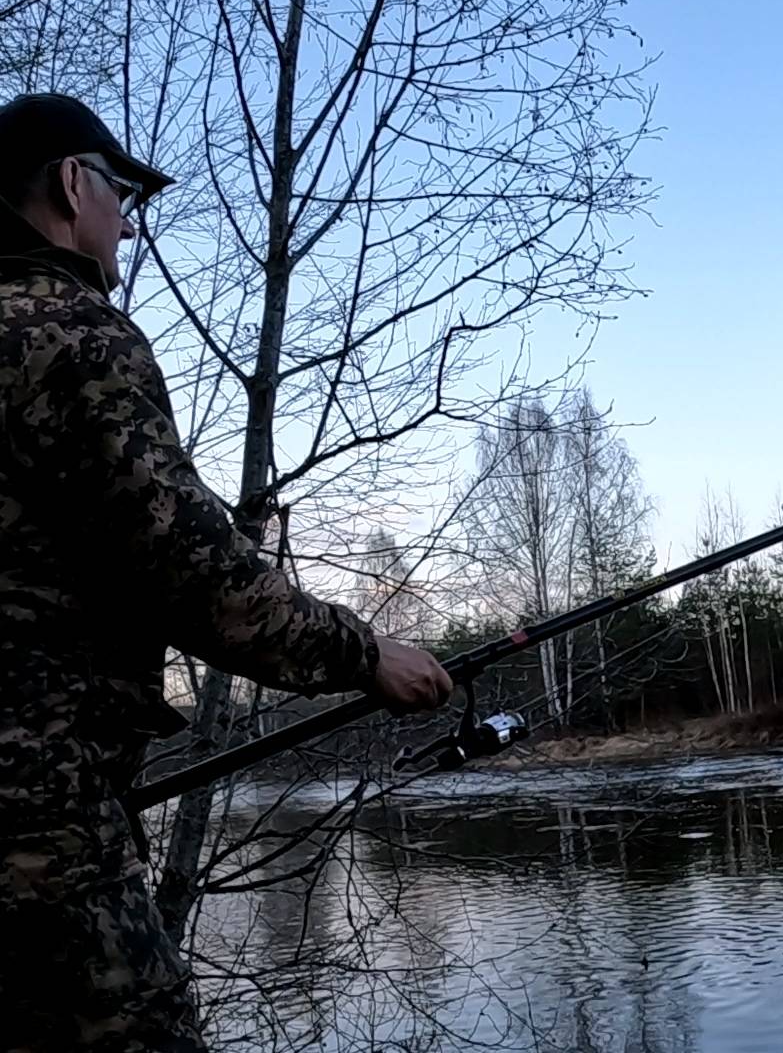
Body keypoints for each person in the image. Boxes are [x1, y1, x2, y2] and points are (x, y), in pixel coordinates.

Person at [0, 93, 454, 1050]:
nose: (127, 219)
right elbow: (198, 580)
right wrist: (368, 653)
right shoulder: (72, 335)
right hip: (37, 830)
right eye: (121, 193)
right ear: (74, 184)